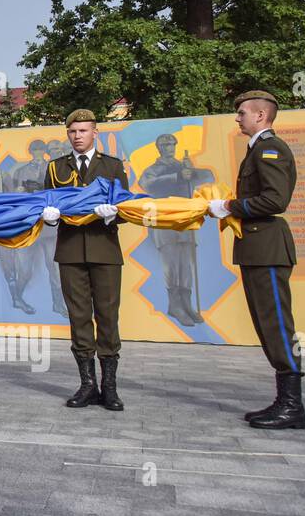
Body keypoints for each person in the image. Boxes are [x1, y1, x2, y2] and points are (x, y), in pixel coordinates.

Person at [208, 91, 305, 429]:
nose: (238, 118)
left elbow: (275, 200)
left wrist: (231, 207)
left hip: (267, 248)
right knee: (268, 324)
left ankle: (292, 407)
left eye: (242, 113)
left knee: (277, 324)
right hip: (257, 248)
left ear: (261, 116)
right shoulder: (258, 149)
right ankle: (285, 401)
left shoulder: (270, 148)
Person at [42, 110, 128, 411]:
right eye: (72, 132)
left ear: (95, 132)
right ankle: (87, 385)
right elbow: (47, 206)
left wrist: (113, 214)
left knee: (107, 316)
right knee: (79, 318)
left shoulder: (113, 166)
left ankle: (110, 387)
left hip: (104, 249)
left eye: (83, 131)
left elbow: (126, 209)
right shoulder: (56, 167)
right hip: (70, 251)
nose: (77, 136)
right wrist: (50, 219)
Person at [140, 132, 215, 326]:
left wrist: (192, 172)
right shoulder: (153, 169)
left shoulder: (183, 165)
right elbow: (147, 184)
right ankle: (175, 305)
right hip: (165, 221)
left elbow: (208, 176)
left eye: (172, 145)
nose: (170, 148)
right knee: (171, 264)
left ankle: (186, 303)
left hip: (185, 220)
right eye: (166, 146)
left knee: (187, 265)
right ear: (159, 148)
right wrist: (177, 176)